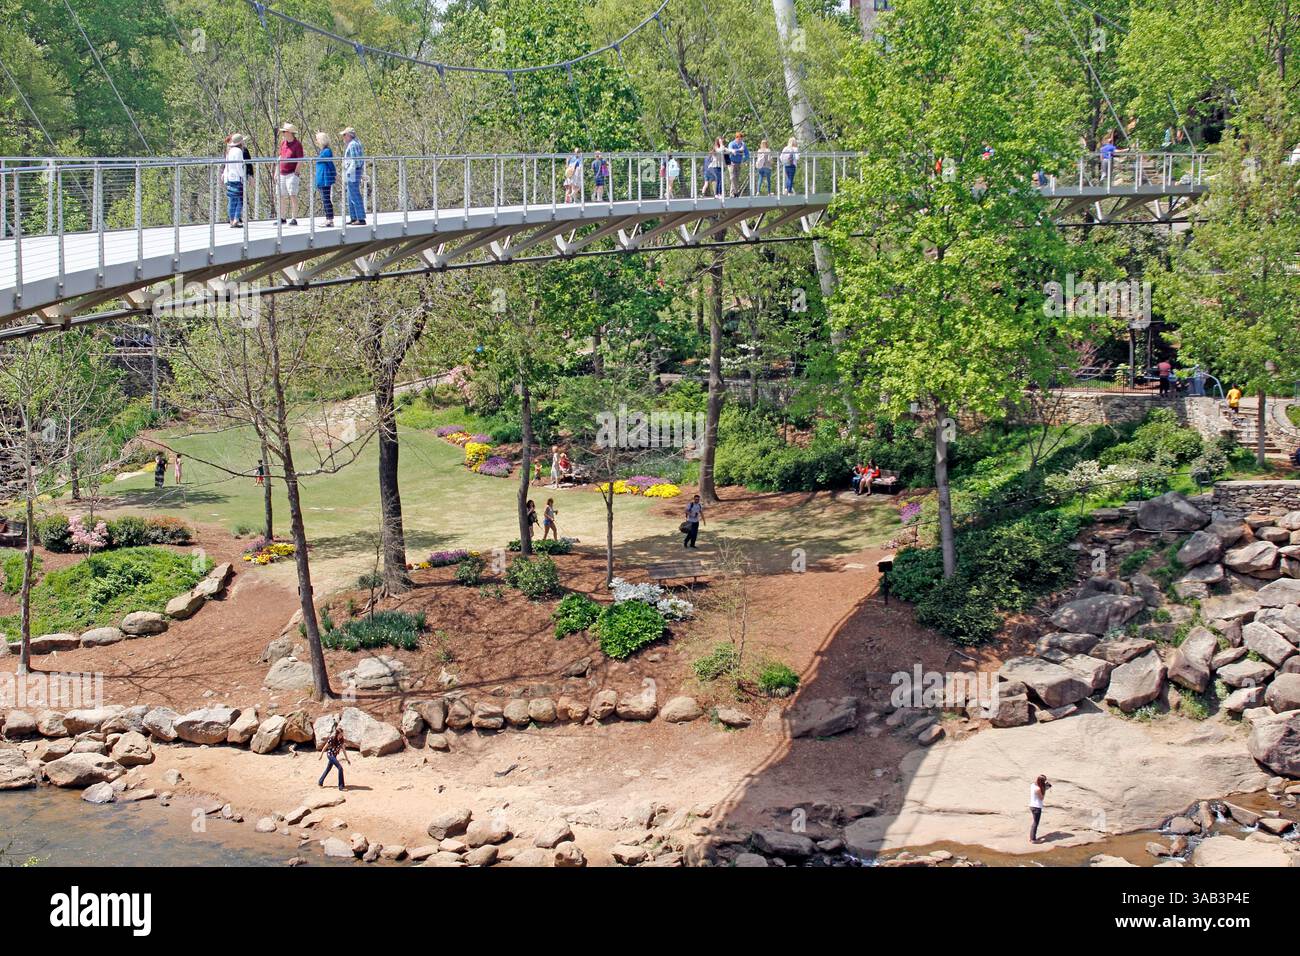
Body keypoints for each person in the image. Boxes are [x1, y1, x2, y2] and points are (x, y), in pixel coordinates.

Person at [277, 123, 305, 225]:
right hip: (282, 173)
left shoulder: (297, 145)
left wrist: (296, 172)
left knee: (292, 195)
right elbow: (280, 157)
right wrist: (276, 172)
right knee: (281, 195)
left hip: (292, 173)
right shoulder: (283, 143)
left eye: (284, 132)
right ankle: (282, 217)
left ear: (290, 133)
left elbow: (300, 159)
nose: (283, 134)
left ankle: (294, 218)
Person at [341, 127, 366, 225]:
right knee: (350, 194)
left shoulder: (353, 144)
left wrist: (349, 172)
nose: (343, 137)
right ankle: (354, 217)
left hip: (353, 172)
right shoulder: (355, 143)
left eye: (344, 135)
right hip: (353, 171)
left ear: (349, 135)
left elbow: (356, 161)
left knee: (354, 194)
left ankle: (360, 218)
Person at [221, 133, 247, 228]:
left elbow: (227, 165)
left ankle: (231, 220)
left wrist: (224, 175)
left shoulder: (229, 151)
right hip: (237, 178)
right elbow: (239, 166)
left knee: (232, 200)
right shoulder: (239, 151)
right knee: (240, 199)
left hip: (230, 178)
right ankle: (236, 219)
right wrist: (243, 176)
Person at [313, 131, 336, 227]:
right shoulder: (323, 151)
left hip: (325, 178)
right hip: (321, 179)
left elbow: (330, 164)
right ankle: (328, 218)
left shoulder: (327, 151)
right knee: (324, 199)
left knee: (326, 199)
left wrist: (334, 174)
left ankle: (329, 219)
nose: (316, 142)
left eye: (317, 140)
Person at [318, 722, 350, 791]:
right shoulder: (332, 739)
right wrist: (321, 755)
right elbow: (325, 747)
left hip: (334, 756)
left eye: (342, 734)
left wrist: (347, 759)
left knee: (328, 769)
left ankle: (320, 782)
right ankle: (341, 787)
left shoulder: (341, 740)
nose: (342, 736)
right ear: (337, 734)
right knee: (340, 768)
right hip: (330, 755)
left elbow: (344, 750)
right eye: (340, 734)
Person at [1029, 774, 1051, 844]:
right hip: (1037, 807)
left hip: (1032, 806)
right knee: (1035, 823)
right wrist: (1044, 789)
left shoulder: (1033, 785)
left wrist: (1044, 787)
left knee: (1034, 823)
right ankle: (1033, 839)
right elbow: (1041, 798)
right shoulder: (1038, 789)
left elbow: (1039, 786)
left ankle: (1032, 838)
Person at [727, 131, 749, 197]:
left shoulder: (743, 144)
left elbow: (747, 154)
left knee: (736, 179)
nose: (740, 140)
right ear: (736, 138)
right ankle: (736, 192)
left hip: (739, 163)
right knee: (732, 177)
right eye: (739, 139)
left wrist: (744, 160)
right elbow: (730, 150)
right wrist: (739, 150)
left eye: (741, 139)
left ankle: (732, 194)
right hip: (731, 163)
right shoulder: (732, 143)